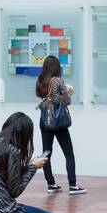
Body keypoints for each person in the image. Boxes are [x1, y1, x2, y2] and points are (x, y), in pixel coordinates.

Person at [35, 55, 86, 195]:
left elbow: (40, 95)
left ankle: (51, 184)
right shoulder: (58, 80)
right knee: (69, 154)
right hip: (58, 122)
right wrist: (68, 93)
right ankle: (73, 185)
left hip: (45, 119)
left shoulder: (40, 80)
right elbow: (65, 101)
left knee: (46, 152)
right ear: (56, 67)